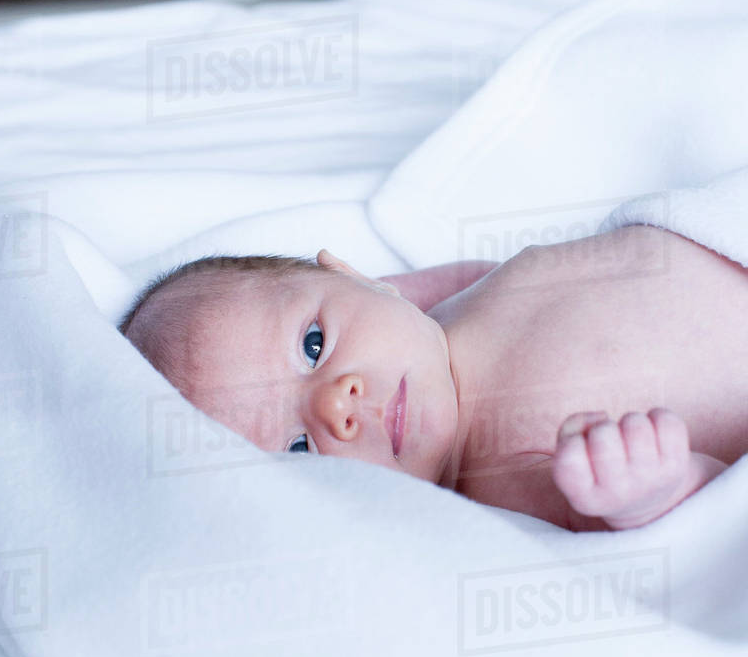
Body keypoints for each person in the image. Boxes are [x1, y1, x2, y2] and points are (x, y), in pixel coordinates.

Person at [118, 223, 747, 531]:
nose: (338, 404)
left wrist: (397, 296)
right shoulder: (506, 478)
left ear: (357, 277)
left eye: (314, 344)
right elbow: (698, 526)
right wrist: (651, 489)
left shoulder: (444, 307)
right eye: (300, 448)